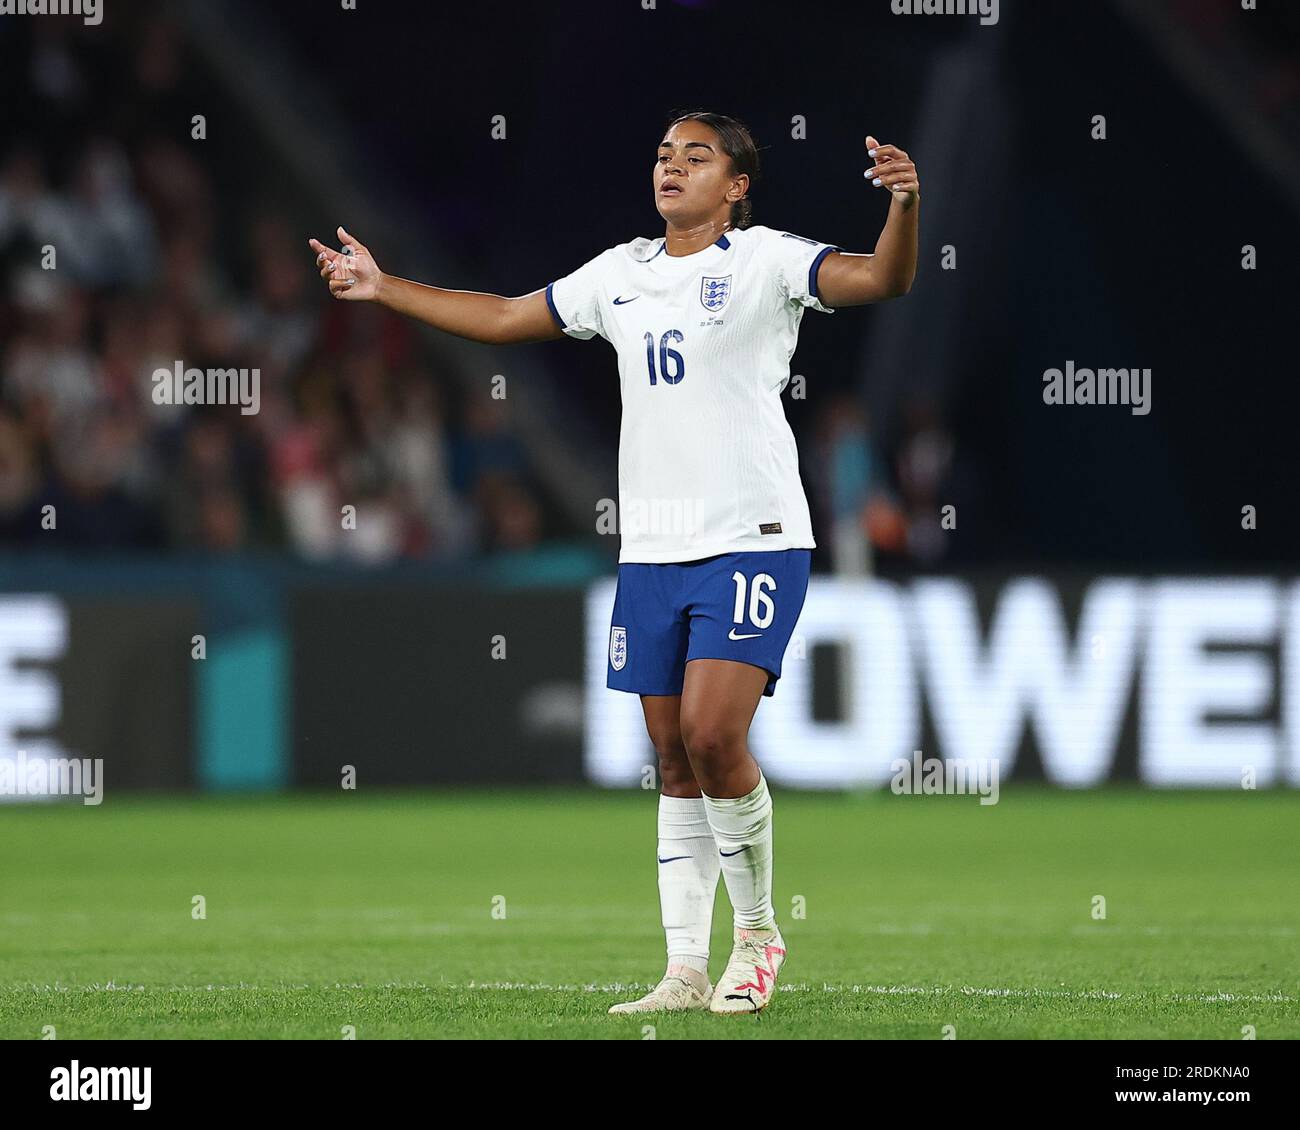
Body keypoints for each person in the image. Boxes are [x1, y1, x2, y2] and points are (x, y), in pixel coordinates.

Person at [308, 110, 920, 1014]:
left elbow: (882, 278)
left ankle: (757, 935)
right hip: (652, 552)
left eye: (696, 156)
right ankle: (683, 968)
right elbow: (508, 315)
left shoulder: (763, 262)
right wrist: (384, 285)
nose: (671, 167)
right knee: (673, 757)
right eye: (663, 154)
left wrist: (903, 204)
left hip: (751, 538)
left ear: (738, 186)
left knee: (717, 736)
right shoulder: (620, 274)